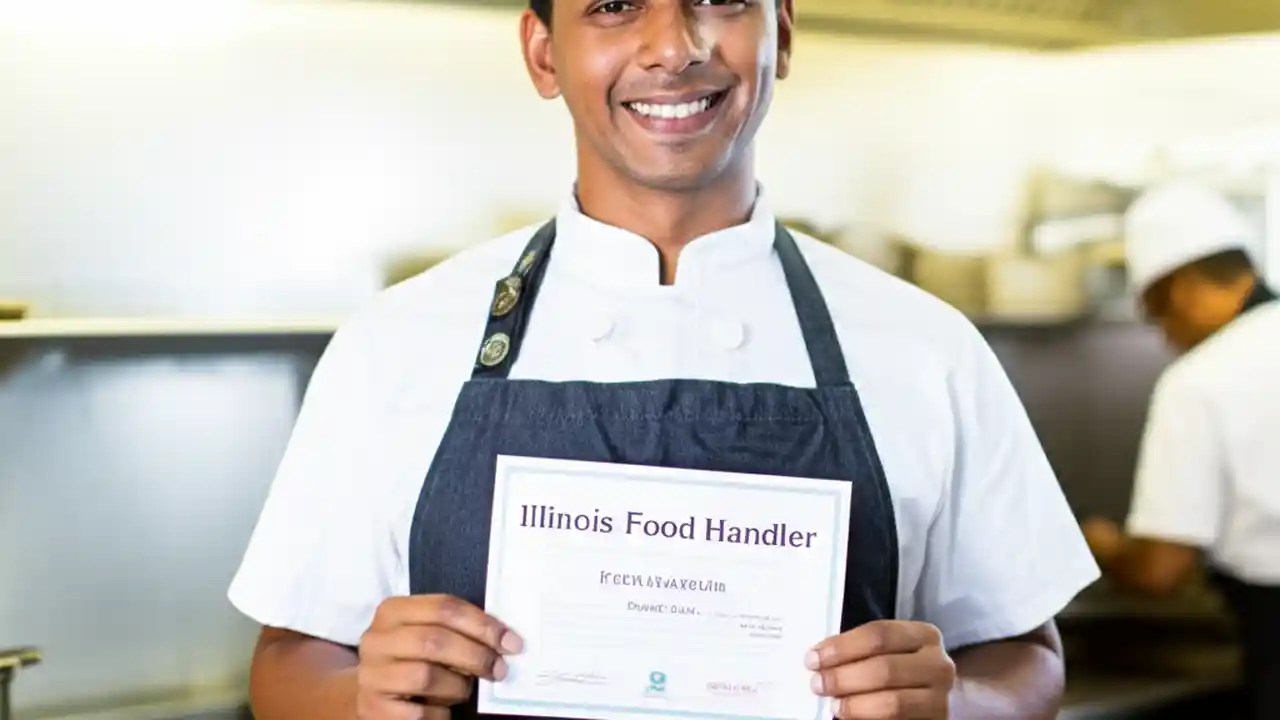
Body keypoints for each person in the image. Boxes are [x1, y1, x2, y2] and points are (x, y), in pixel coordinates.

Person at [229, 0, 1099, 718]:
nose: (673, 48)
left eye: (719, 3)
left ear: (782, 32)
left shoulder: (927, 347)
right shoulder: (395, 343)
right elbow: (289, 662)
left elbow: (1027, 652)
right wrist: (358, 702)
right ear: (542, 54)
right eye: (613, 8)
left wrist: (960, 707)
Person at [1082, 181, 1280, 719]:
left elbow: (1159, 572)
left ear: (1183, 286)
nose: (1165, 338)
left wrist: (1100, 545)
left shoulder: (1199, 380)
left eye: (1157, 315)